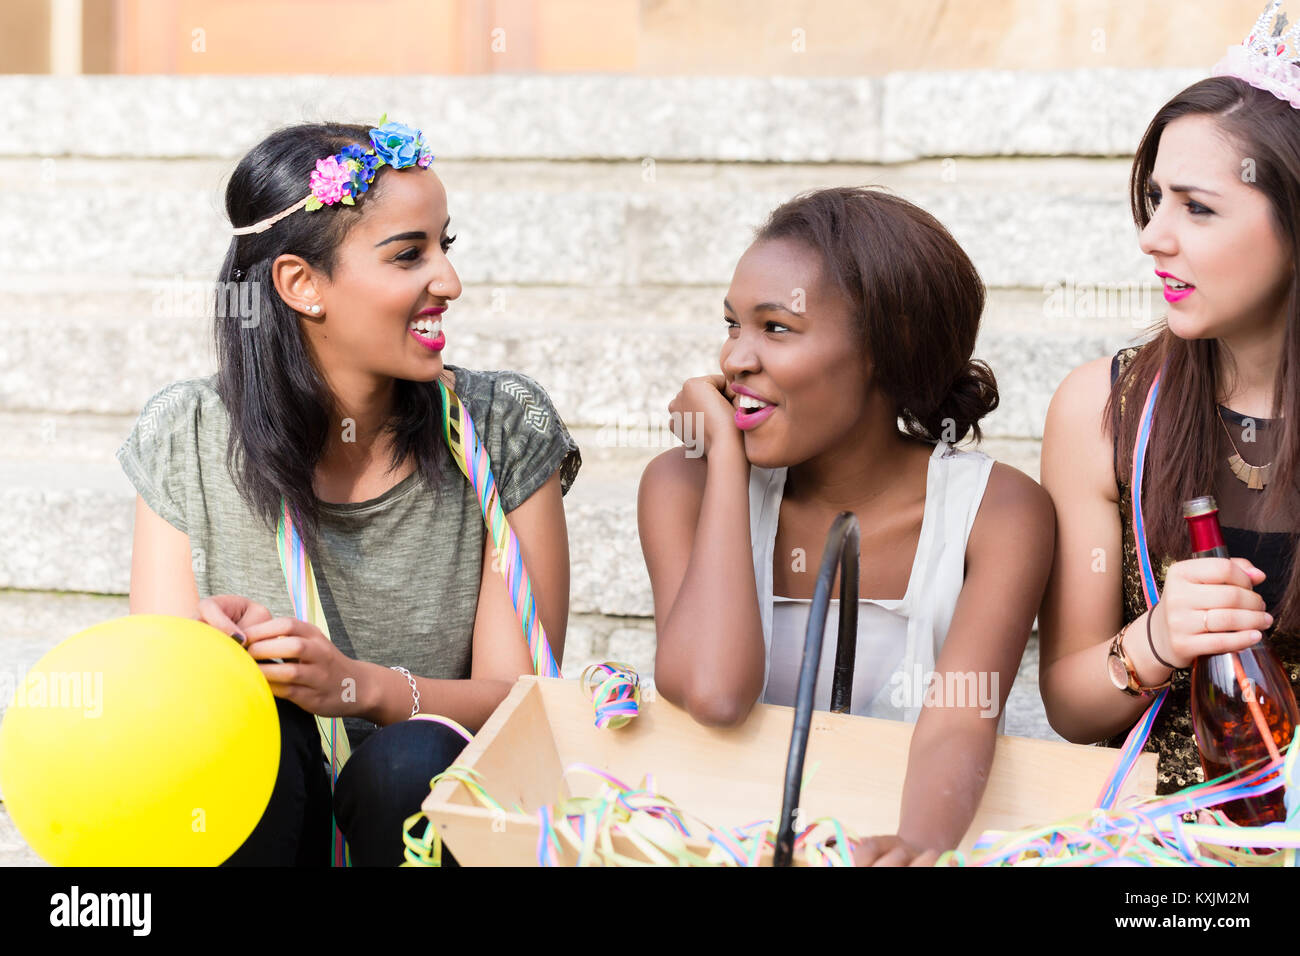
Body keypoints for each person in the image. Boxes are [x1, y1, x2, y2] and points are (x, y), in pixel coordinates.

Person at [117, 118, 581, 865]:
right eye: (409, 256)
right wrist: (206, 656)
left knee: (407, 764)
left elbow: (521, 704)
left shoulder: (503, 427)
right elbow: (167, 719)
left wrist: (357, 687)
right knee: (248, 736)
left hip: (432, 808)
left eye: (445, 246)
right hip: (268, 818)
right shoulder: (189, 435)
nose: (450, 283)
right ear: (302, 285)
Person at [637, 186, 1054, 865]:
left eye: (775, 328)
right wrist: (721, 469)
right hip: (723, 841)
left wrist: (917, 844)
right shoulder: (681, 484)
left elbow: (958, 717)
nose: (735, 360)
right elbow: (714, 693)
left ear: (886, 350)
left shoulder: (998, 511)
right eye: (732, 325)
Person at [1038, 8, 1300, 794]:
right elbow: (1069, 705)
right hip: (1166, 837)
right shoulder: (1106, 410)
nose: (1152, 235)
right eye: (1154, 200)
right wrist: (1157, 639)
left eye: (1197, 207)